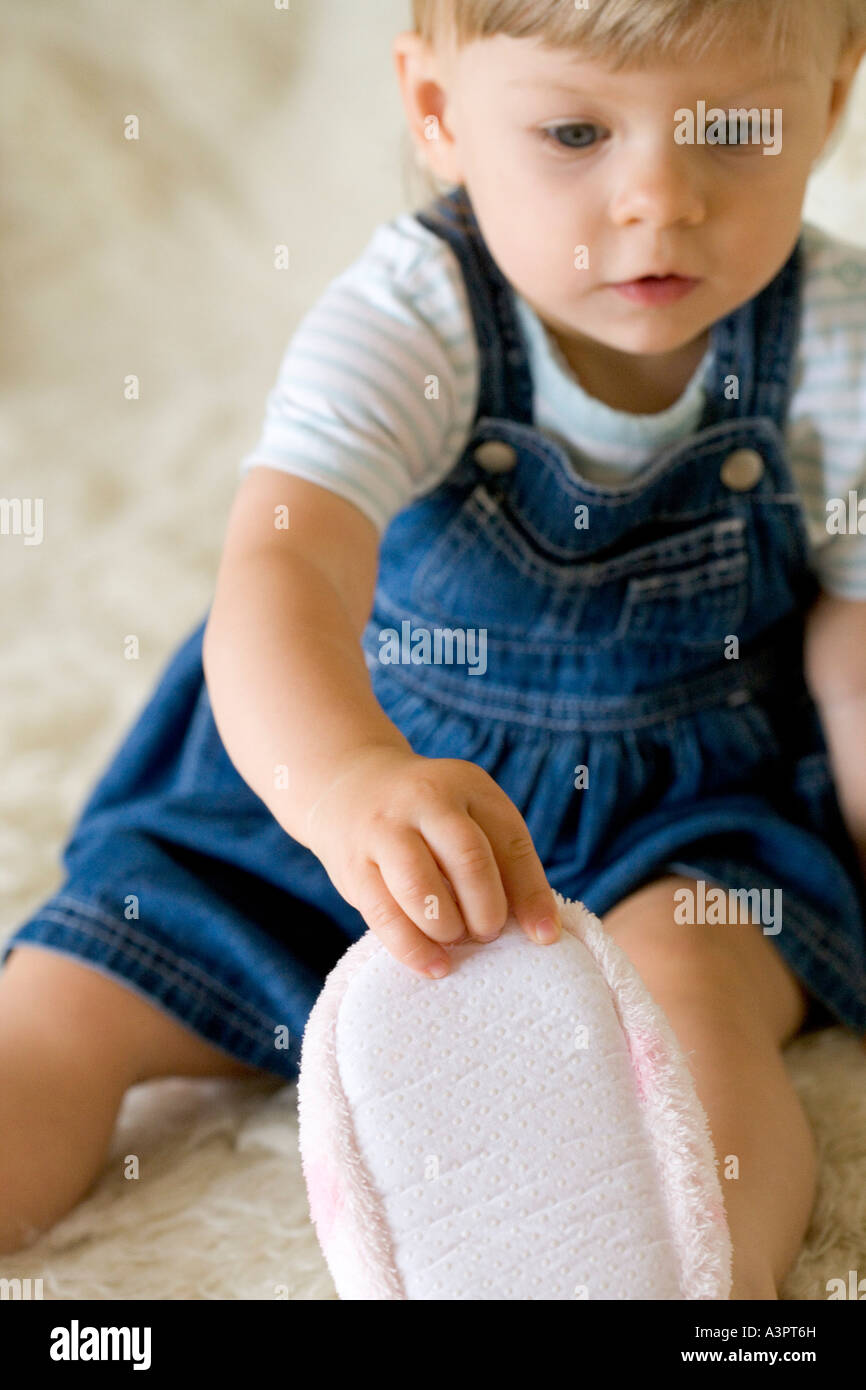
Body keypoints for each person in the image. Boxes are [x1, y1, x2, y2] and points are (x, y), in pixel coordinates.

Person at [3, 0, 866, 1301]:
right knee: (62, 1000)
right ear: (436, 113)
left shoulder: (832, 339)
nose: (656, 201)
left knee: (695, 997)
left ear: (834, 96)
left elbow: (854, 639)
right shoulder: (415, 313)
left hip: (683, 814)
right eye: (574, 130)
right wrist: (343, 780)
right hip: (342, 786)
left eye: (733, 131)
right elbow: (283, 566)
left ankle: (664, 1279)